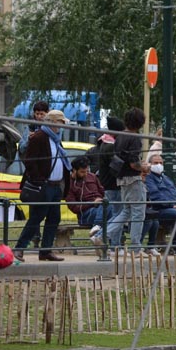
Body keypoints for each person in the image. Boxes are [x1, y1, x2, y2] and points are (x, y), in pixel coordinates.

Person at [13, 109, 70, 262]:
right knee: (36, 218)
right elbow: (30, 161)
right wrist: (39, 180)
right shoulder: (39, 137)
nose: (62, 125)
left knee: (54, 218)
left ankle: (45, 250)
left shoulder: (56, 138)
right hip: (44, 185)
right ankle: (20, 248)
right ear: (52, 122)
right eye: (60, 122)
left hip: (56, 185)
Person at [106, 108, 150, 257]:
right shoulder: (135, 138)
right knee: (138, 213)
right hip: (133, 179)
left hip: (121, 180)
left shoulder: (120, 136)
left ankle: (102, 235)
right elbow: (133, 163)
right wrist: (144, 167)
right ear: (141, 122)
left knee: (126, 211)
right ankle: (136, 248)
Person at [92, 115, 124, 246]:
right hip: (114, 184)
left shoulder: (104, 143)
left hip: (109, 184)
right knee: (120, 214)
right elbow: (117, 166)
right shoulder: (110, 146)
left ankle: (115, 244)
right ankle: (106, 239)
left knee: (118, 213)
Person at [145, 146, 176, 250]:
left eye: (161, 163)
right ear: (150, 164)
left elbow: (175, 193)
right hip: (157, 209)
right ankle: (175, 246)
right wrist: (172, 205)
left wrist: (175, 204)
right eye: (155, 163)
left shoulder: (165, 177)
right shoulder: (148, 178)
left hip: (170, 207)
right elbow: (155, 196)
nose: (159, 165)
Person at [66, 157, 110, 236]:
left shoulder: (92, 176)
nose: (85, 174)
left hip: (100, 208)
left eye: (87, 171)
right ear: (74, 170)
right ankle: (98, 231)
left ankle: (97, 228)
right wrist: (92, 203)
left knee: (111, 207)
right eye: (82, 172)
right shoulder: (69, 184)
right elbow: (73, 207)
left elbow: (102, 192)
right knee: (106, 210)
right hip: (85, 214)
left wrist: (101, 200)